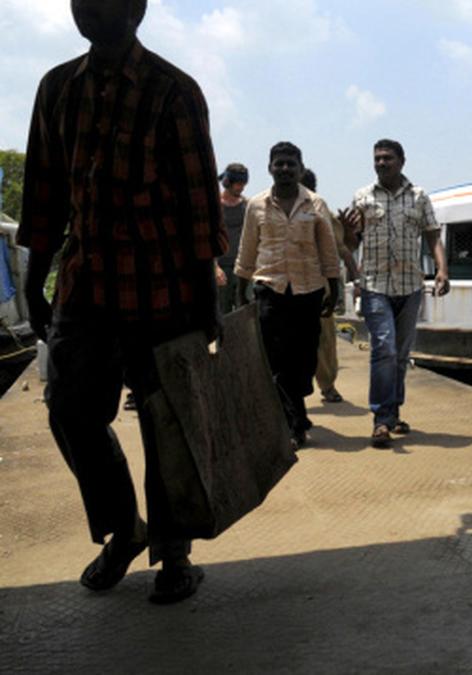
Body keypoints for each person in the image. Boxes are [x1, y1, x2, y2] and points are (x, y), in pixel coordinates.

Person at [18, 0, 223, 604]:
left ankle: (175, 555)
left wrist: (204, 299)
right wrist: (36, 282)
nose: (88, 10)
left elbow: (198, 205)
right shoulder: (57, 88)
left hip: (162, 288)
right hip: (85, 286)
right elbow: (44, 191)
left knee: (167, 425)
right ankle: (124, 528)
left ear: (136, 10)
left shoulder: (173, 90)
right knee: (71, 411)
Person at [343, 139, 449, 447]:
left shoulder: (418, 197)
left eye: (387, 158)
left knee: (400, 355)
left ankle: (393, 411)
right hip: (375, 284)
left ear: (402, 161)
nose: (381, 163)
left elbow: (433, 237)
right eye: (376, 158)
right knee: (384, 348)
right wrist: (348, 233)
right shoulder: (362, 197)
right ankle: (381, 419)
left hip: (410, 286)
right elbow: (350, 246)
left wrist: (442, 270)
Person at [234, 142, 340, 447]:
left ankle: (297, 410)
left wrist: (333, 291)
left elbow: (328, 250)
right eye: (279, 164)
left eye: (290, 164)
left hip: (308, 290)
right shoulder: (256, 205)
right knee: (277, 360)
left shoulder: (316, 204)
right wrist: (240, 290)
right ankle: (293, 426)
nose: (284, 169)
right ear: (269, 168)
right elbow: (247, 248)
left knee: (304, 359)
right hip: (270, 289)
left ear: (300, 168)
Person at [299, 168, 358, 403]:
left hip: (318, 286)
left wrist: (354, 279)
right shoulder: (273, 211)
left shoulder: (322, 212)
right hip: (285, 285)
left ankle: (327, 385)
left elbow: (344, 250)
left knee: (324, 340)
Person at [216, 162, 249, 313]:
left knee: (246, 312)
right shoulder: (215, 205)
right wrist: (214, 267)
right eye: (238, 183)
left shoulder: (247, 205)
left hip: (243, 267)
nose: (241, 187)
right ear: (228, 182)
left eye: (243, 183)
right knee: (224, 314)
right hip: (222, 268)